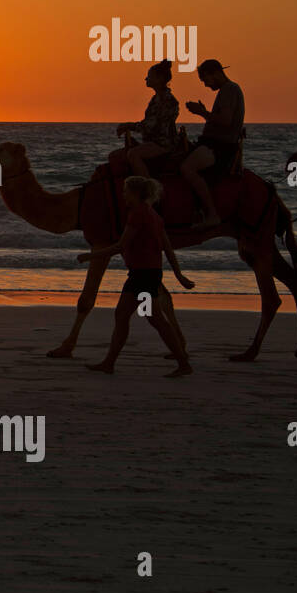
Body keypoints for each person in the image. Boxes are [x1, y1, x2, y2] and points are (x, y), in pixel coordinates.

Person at [79, 176, 193, 377]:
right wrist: (178, 274)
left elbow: (121, 245)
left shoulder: (138, 214)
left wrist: (91, 256)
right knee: (123, 315)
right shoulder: (154, 215)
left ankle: (183, 363)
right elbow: (167, 248)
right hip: (144, 275)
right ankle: (109, 363)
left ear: (135, 194)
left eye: (126, 191)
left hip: (143, 277)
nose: (123, 195)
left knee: (155, 319)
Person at [179, 58, 245, 229]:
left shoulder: (229, 90)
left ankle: (211, 214)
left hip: (219, 147)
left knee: (187, 168)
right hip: (215, 143)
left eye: (206, 80)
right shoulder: (227, 90)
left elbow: (225, 120)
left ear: (215, 73)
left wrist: (202, 113)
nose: (206, 85)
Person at [115, 60, 179, 178]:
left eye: (149, 76)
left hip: (163, 144)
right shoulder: (156, 99)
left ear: (159, 79)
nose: (146, 79)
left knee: (133, 154)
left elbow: (151, 126)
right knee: (117, 155)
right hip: (153, 142)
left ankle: (149, 188)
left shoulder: (167, 101)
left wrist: (128, 125)